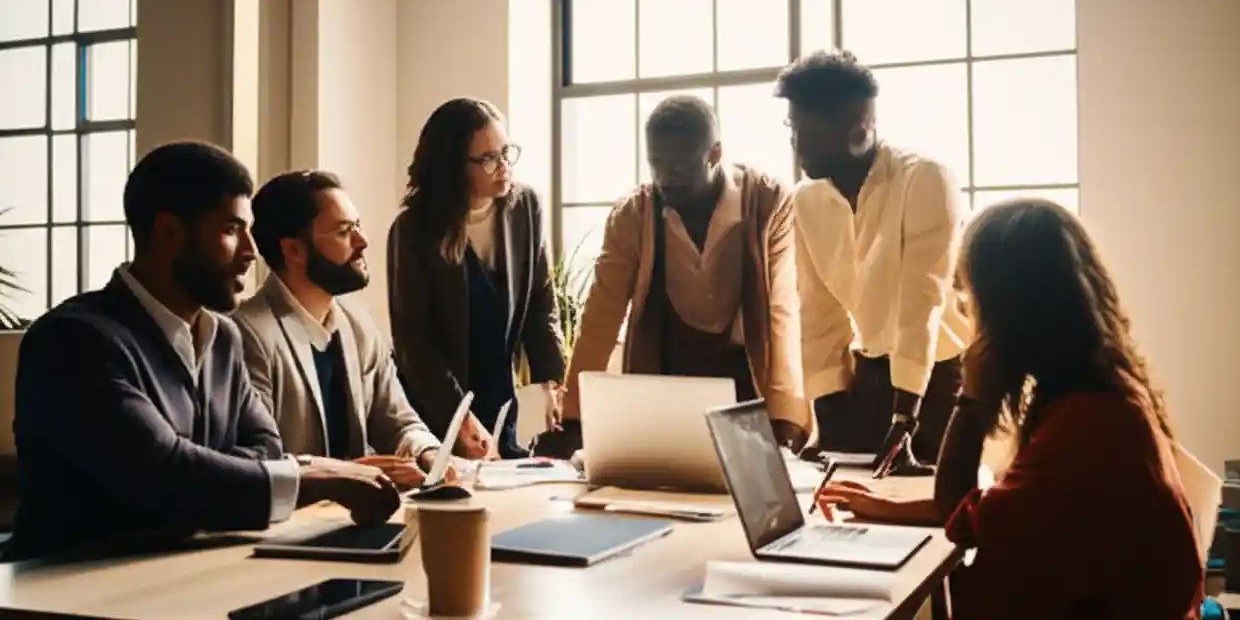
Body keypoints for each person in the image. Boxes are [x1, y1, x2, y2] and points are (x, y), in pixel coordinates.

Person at [4, 142, 399, 561]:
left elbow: (263, 449)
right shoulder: (73, 341)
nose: (250, 251)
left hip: (189, 575)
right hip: (62, 594)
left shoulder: (224, 339)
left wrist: (206, 480)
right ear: (169, 231)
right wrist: (315, 477)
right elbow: (163, 477)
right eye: (231, 230)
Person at [816, 199, 1205, 619]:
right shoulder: (1104, 394)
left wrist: (973, 396)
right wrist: (891, 509)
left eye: (972, 299)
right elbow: (994, 512)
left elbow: (969, 529)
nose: (968, 315)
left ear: (1009, 311)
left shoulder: (1083, 429)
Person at [542, 95, 809, 457]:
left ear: (714, 154)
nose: (666, 178)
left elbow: (783, 312)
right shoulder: (633, 214)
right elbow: (601, 316)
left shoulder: (769, 201)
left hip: (747, 376)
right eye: (657, 164)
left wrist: (786, 420)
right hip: (663, 379)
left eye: (680, 166)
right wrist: (574, 420)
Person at [779, 49, 970, 476]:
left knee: (926, 507)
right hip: (868, 372)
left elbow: (921, 303)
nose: (797, 145)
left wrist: (905, 420)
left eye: (810, 132)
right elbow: (819, 314)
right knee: (850, 498)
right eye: (793, 128)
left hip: (935, 379)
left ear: (858, 131)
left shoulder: (924, 180)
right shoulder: (805, 201)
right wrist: (828, 424)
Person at [234, 170, 453, 491]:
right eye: (343, 232)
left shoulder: (357, 322)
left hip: (362, 515)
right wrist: (348, 474)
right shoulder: (248, 333)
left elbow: (396, 418)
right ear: (293, 250)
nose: (362, 242)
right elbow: (259, 461)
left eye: (357, 226)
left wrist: (427, 452)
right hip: (290, 525)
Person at [388, 98, 565, 460]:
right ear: (454, 165)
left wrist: (550, 381)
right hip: (437, 402)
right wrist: (459, 417)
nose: (503, 167)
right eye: (488, 159)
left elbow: (540, 300)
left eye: (506, 152)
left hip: (499, 393)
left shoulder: (525, 207)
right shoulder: (414, 229)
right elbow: (415, 343)